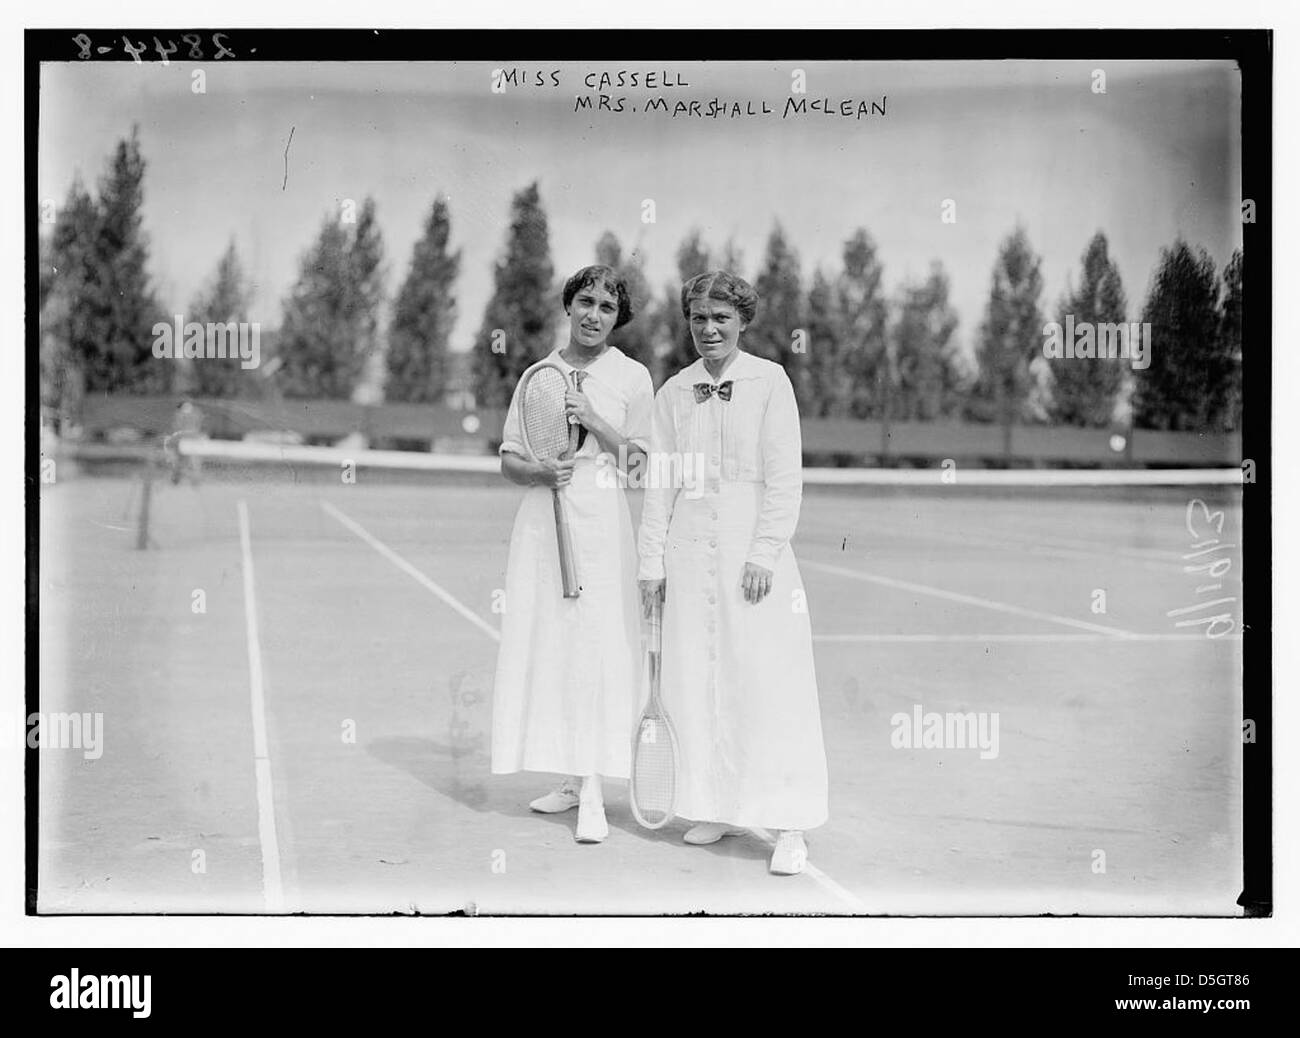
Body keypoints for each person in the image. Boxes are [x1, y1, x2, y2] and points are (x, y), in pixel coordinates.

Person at [637, 270, 828, 875]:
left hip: (752, 557)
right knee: (699, 680)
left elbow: (784, 479)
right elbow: (660, 486)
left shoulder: (771, 382)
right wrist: (651, 563)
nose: (709, 329)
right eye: (698, 318)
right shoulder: (672, 393)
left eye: (721, 317)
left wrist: (764, 553)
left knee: (768, 684)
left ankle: (789, 824)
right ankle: (715, 805)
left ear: (742, 321)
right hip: (689, 556)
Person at [491, 265, 655, 843]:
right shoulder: (539, 373)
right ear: (569, 305)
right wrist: (539, 471)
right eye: (585, 302)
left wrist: (596, 423)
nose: (594, 315)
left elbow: (642, 465)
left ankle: (593, 790)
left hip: (603, 523)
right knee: (556, 644)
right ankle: (569, 774)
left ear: (618, 317)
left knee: (596, 647)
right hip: (544, 519)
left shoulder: (633, 377)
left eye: (607, 308)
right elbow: (509, 457)